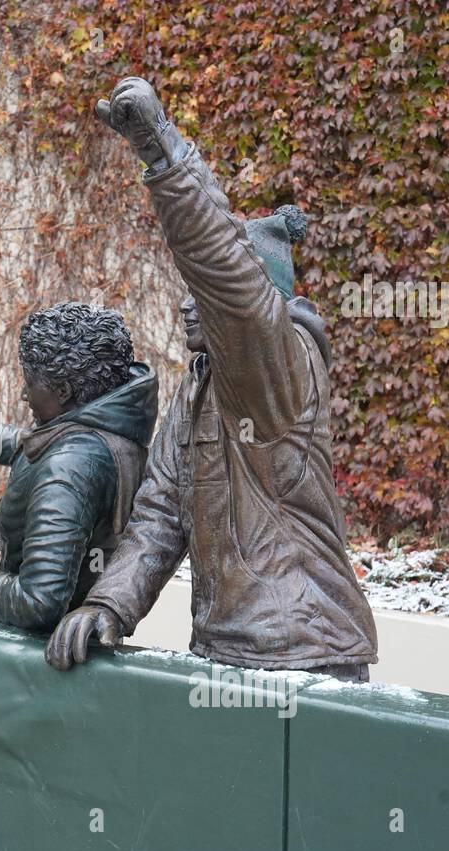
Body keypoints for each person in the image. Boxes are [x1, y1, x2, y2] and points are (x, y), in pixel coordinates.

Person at [48, 77, 378, 679]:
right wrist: (110, 603)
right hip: (227, 649)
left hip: (299, 654)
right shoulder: (200, 386)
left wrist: (164, 154)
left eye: (205, 296)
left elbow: (230, 283)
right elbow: (159, 512)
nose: (187, 305)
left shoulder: (281, 364)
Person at [0, 302, 157, 632]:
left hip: (41, 659)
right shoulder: (115, 426)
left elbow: (38, 602)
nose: (23, 394)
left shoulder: (69, 468)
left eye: (30, 382)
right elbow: (46, 442)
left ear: (63, 390)